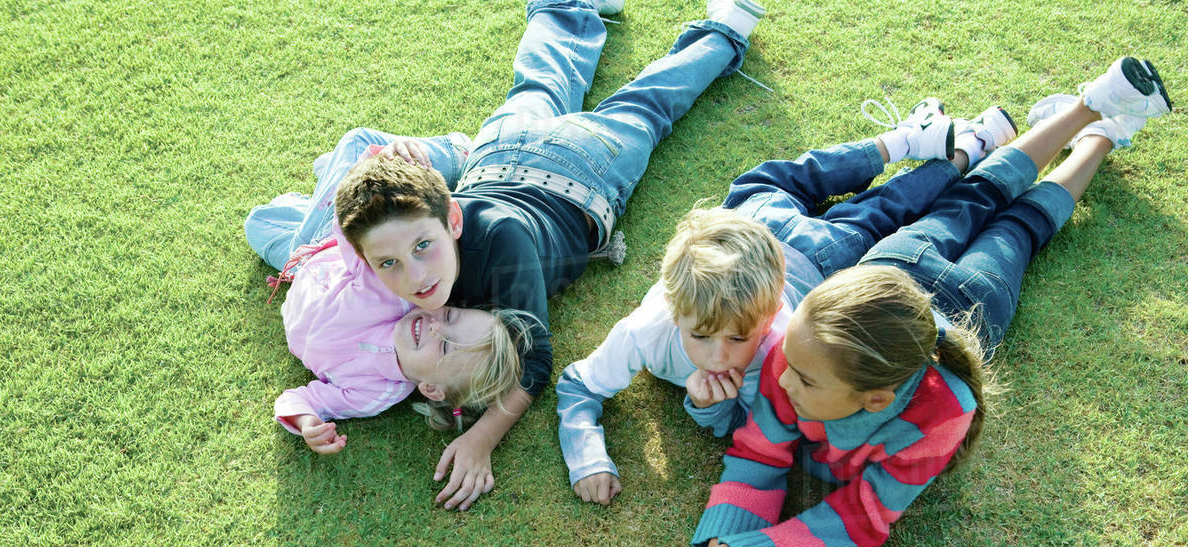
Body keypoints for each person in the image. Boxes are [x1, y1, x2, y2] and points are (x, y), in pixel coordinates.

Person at [684, 57, 1172, 547]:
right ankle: (1096, 124)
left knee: (1013, 217)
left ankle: (1098, 125)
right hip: (899, 271)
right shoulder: (796, 356)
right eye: (790, 364)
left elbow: (863, 515)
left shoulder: (942, 412)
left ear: (877, 398)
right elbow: (757, 452)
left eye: (805, 378)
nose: (777, 374)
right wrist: (728, 546)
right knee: (992, 204)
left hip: (965, 297)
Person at [248, 0, 772, 510]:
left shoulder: (502, 241)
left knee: (646, 106)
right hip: (493, 151)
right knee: (541, 80)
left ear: (453, 221)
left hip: (579, 172)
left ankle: (724, 31)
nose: (415, 279)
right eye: (389, 264)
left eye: (424, 248)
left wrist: (482, 436)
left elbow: (536, 359)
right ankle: (565, 7)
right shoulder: (390, 270)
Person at [556, 96, 1019, 505]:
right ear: (675, 312)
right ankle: (933, 145)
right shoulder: (646, 329)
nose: (719, 357)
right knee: (841, 197)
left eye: (740, 338)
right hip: (748, 234)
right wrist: (589, 457)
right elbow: (580, 385)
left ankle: (956, 151)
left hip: (808, 251)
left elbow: (767, 431)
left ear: (771, 316)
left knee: (875, 210)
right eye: (700, 335)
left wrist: (722, 403)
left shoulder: (782, 348)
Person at [268, 230, 531, 455]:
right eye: (450, 315)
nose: (435, 325)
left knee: (259, 226)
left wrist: (307, 422)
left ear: (432, 389)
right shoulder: (392, 290)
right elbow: (352, 232)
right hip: (318, 252)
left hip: (293, 280)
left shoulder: (376, 394)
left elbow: (304, 399)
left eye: (445, 345)